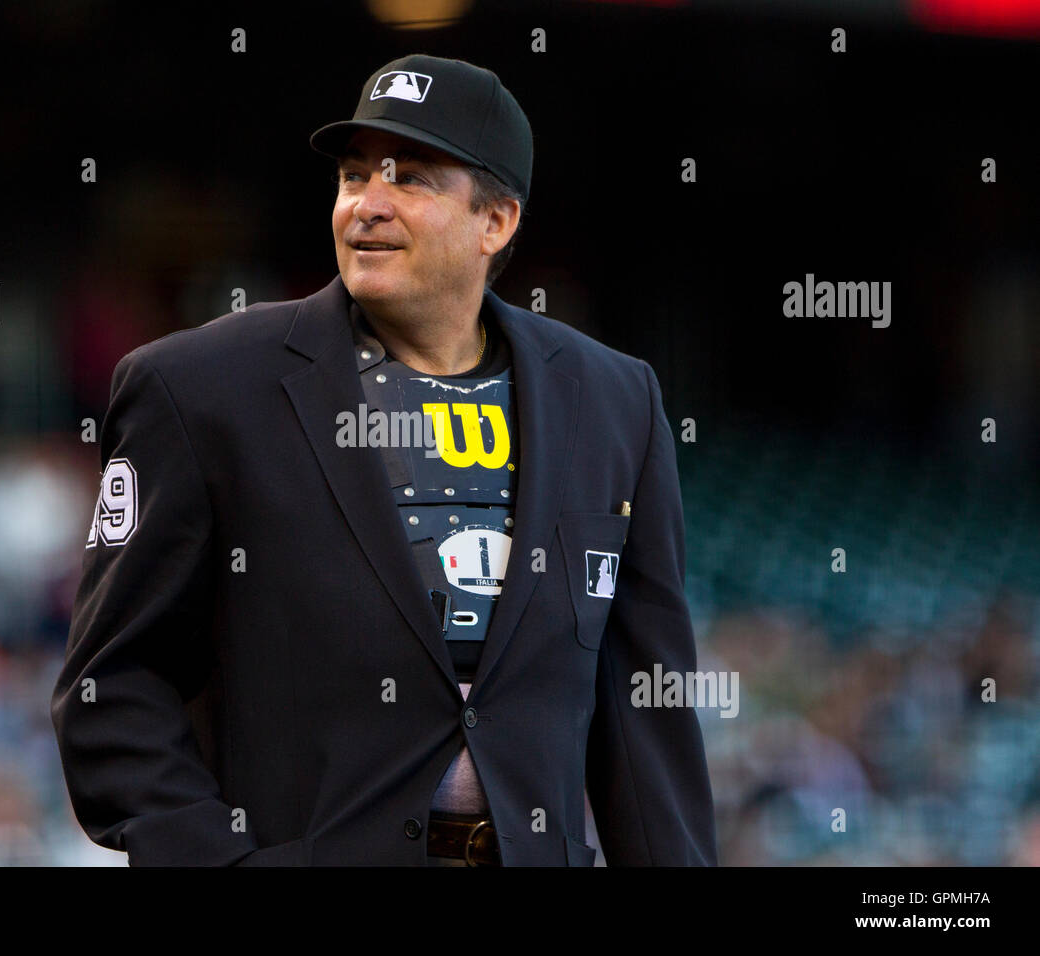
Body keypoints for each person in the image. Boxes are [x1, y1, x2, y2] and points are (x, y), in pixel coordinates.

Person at [51, 53, 717, 866]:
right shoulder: (199, 388)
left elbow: (647, 717)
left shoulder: (616, 402)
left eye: (409, 179)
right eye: (354, 175)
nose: (365, 206)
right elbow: (110, 688)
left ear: (497, 221)